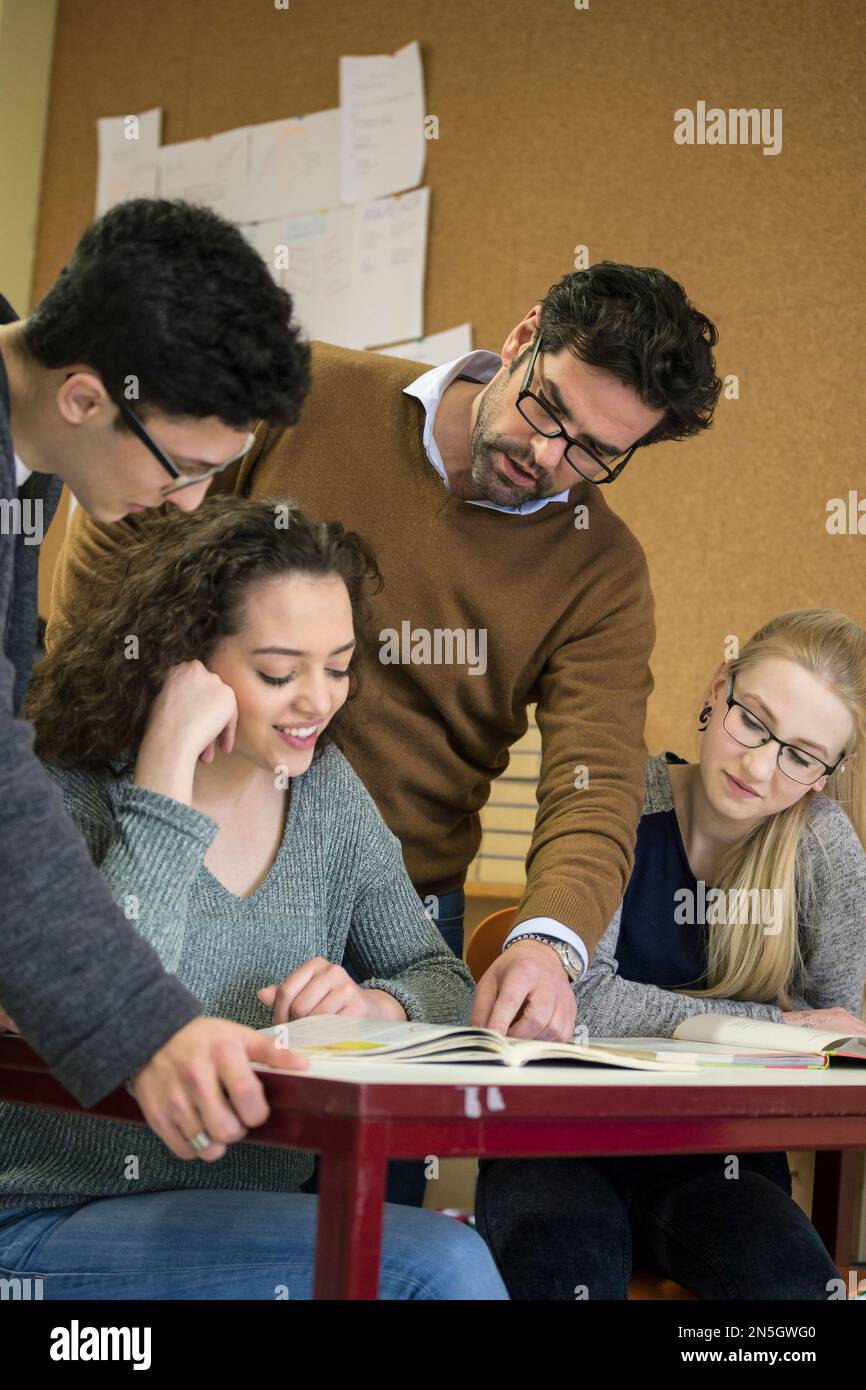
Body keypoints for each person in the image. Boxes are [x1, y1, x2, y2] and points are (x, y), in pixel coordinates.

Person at [51, 259, 722, 1052]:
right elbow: (130, 511)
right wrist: (137, 738)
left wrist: (547, 941)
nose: (548, 458)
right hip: (171, 834)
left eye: (592, 453)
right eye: (549, 411)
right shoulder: (307, 393)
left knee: (358, 1171)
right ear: (523, 336)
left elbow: (595, 775)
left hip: (400, 900)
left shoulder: (600, 570)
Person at [0, 496, 508, 1299]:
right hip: (46, 1215)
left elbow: (443, 979)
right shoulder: (58, 790)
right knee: (438, 1266)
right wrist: (164, 771)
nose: (319, 700)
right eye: (279, 672)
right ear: (184, 659)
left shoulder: (327, 796)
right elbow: (113, 998)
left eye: (338, 667)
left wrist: (377, 1007)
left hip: (252, 1220)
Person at [0, 197, 316, 1158]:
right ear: (85, 397)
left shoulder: (39, 448)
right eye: (181, 466)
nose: (191, 503)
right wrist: (144, 1020)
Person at [475, 609, 866, 1299]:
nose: (758, 764)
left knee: (795, 1293)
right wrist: (771, 1028)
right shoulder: (617, 802)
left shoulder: (822, 851)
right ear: (719, 689)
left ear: (826, 774)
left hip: (721, 1160)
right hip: (557, 1143)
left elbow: (842, 1034)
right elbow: (582, 996)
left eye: (800, 756)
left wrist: (803, 1033)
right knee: (562, 1278)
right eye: (752, 720)